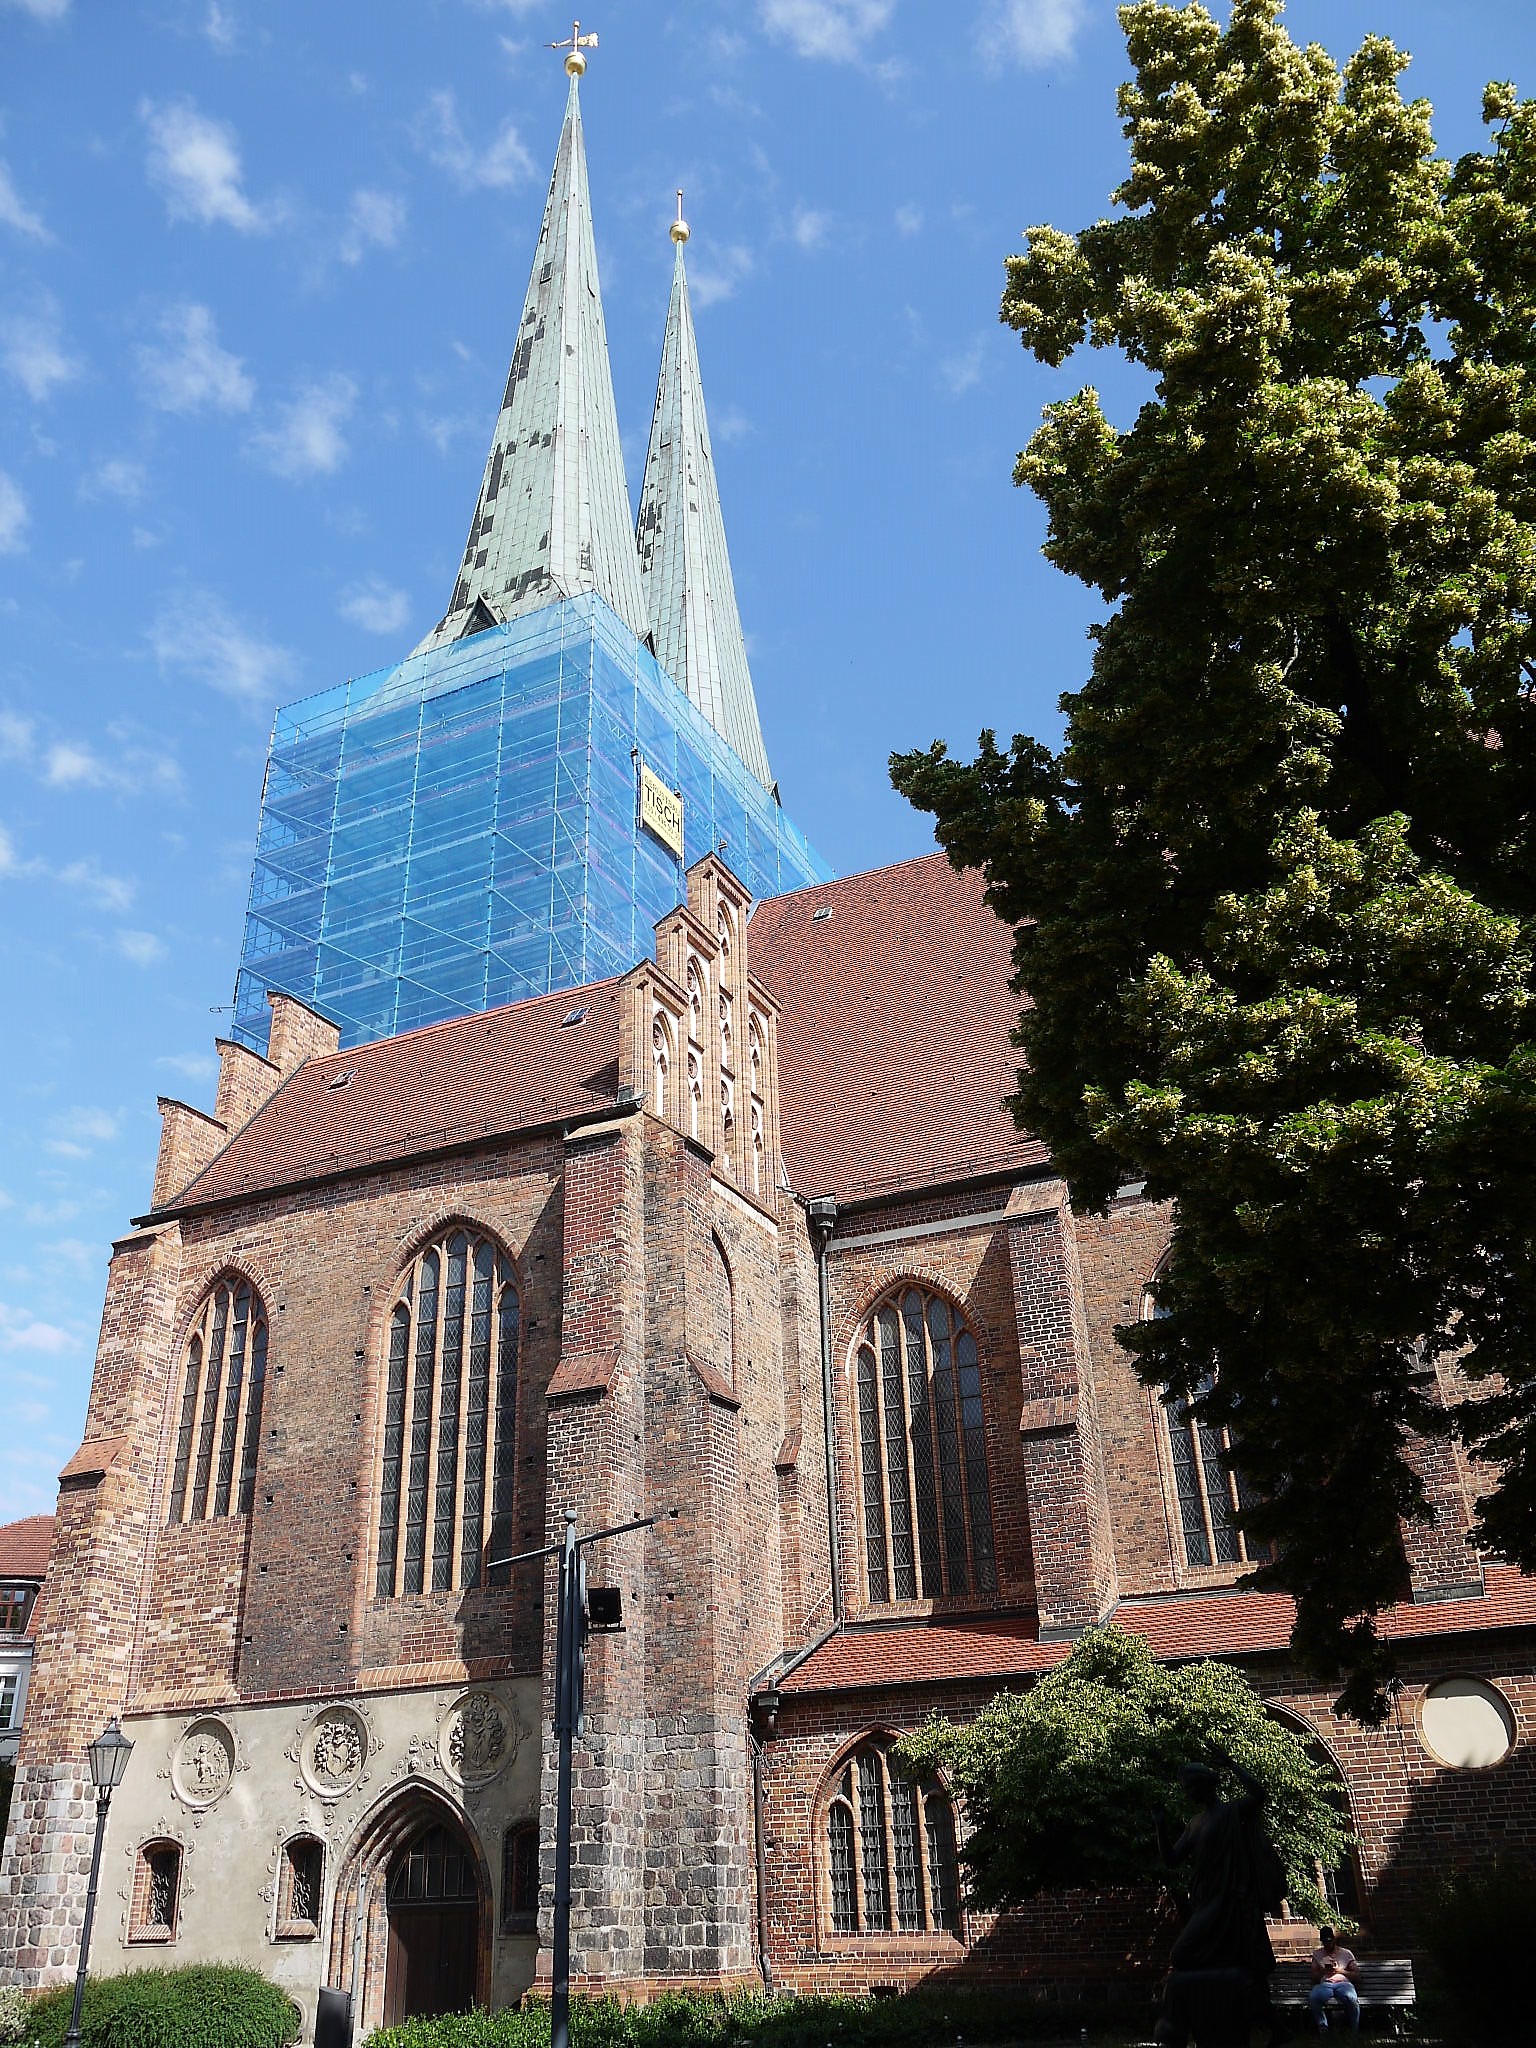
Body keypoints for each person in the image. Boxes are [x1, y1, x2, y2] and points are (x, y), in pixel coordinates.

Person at [1309, 1927, 1361, 2034]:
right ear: (1322, 1941)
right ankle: (1323, 2028)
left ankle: (1354, 2031)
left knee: (1352, 1999)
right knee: (1314, 1998)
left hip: (1343, 1983)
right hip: (1325, 1984)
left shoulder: (1346, 1953)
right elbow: (1313, 1977)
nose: (1328, 1944)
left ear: (1334, 1939)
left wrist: (1340, 1971)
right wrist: (1323, 1971)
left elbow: (1357, 1976)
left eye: (1330, 1941)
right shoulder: (1317, 1954)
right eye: (1325, 1941)